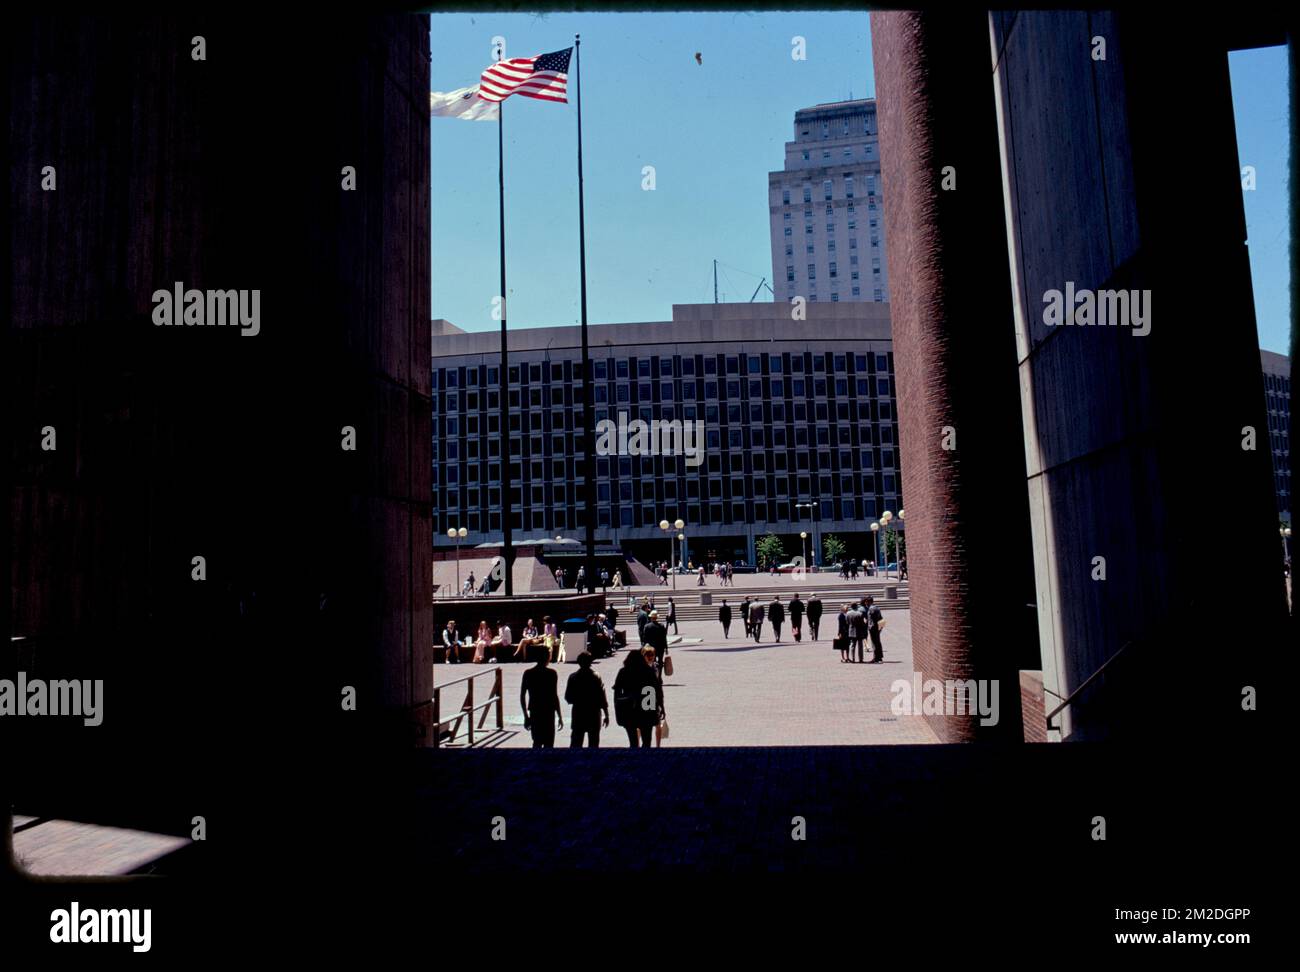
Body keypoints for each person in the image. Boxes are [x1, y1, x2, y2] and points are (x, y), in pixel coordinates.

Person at [614, 648, 659, 748]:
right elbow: (656, 690)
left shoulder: (623, 672)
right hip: (647, 706)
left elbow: (617, 691)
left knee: (633, 740)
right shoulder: (648, 671)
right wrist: (659, 707)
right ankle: (645, 756)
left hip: (629, 708)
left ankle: (634, 755)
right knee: (647, 740)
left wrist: (618, 706)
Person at [520, 644, 562, 748]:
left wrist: (526, 716)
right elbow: (554, 696)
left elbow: (522, 696)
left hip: (535, 710)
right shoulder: (552, 674)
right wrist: (559, 715)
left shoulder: (528, 673)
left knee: (536, 741)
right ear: (547, 657)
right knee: (549, 743)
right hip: (548, 711)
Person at [565, 651, 609, 747]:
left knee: (576, 742)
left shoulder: (573, 677)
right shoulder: (596, 676)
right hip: (593, 712)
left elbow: (568, 697)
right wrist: (606, 714)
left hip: (578, 712)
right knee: (594, 742)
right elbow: (602, 697)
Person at [643, 609, 669, 678]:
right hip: (660, 647)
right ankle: (659, 677)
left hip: (651, 648)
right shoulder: (661, 626)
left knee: (652, 662)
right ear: (657, 617)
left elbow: (644, 639)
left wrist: (644, 647)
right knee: (660, 662)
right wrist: (666, 648)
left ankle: (654, 677)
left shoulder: (647, 626)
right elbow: (664, 638)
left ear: (651, 617)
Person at [865, 595, 886, 663]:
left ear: (869, 602)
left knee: (874, 643)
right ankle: (879, 657)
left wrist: (870, 627)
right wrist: (881, 627)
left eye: (866, 602)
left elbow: (873, 620)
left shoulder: (871, 609)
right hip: (877, 627)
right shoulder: (877, 608)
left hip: (873, 628)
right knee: (878, 642)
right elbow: (881, 618)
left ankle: (876, 658)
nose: (865, 603)